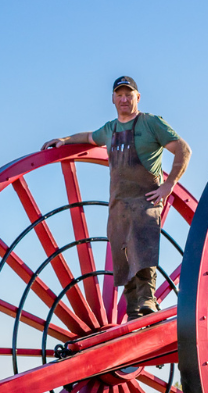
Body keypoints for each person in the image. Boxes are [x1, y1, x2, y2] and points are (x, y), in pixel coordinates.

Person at [41, 76, 191, 320]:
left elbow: (183, 149)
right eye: (119, 95)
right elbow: (89, 138)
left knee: (142, 244)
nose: (124, 99)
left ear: (137, 97)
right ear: (112, 98)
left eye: (128, 95)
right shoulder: (109, 129)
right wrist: (66, 140)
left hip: (146, 198)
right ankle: (133, 310)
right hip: (119, 202)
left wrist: (169, 184)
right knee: (122, 254)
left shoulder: (151, 123)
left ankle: (148, 299)